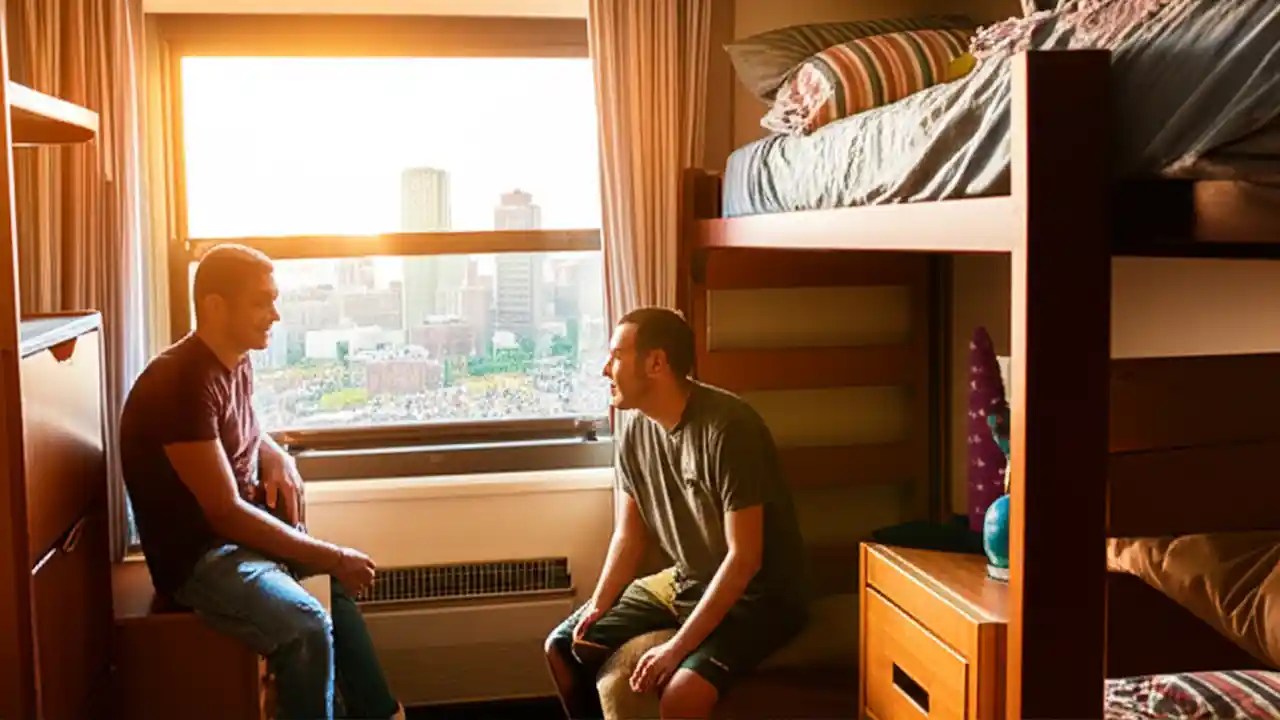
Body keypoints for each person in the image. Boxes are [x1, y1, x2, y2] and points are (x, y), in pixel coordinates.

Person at [120, 244, 403, 720]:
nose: (275, 314)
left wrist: (273, 453)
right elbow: (224, 511)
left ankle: (381, 713)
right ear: (215, 306)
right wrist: (332, 553)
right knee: (306, 627)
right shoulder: (180, 383)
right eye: (262, 301)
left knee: (337, 584)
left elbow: (240, 429)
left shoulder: (234, 361)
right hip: (201, 559)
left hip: (234, 540)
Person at [544, 307, 809, 719]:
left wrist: (676, 649)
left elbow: (744, 560)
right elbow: (629, 536)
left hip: (759, 597)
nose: (604, 369)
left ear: (656, 363)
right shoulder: (634, 429)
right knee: (564, 646)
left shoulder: (729, 429)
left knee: (681, 696)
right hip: (686, 579)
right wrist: (600, 601)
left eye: (615, 356)